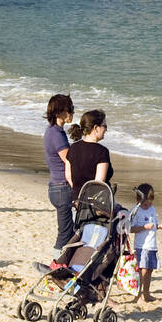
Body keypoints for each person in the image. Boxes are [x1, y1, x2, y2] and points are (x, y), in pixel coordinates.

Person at [44, 93, 76, 251]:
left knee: (69, 231)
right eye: (69, 109)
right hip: (61, 187)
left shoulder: (53, 131)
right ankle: (56, 265)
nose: (72, 113)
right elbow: (70, 160)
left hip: (56, 186)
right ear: (58, 113)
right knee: (65, 234)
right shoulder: (56, 134)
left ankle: (62, 264)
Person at [129, 183, 162, 303]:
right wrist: (144, 227)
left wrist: (158, 226)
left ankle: (146, 293)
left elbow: (153, 224)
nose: (148, 205)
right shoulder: (136, 211)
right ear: (139, 200)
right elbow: (130, 229)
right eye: (145, 203)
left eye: (150, 203)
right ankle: (139, 294)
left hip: (152, 245)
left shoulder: (152, 209)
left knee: (149, 270)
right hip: (141, 245)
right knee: (143, 270)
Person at [65, 109, 112, 193]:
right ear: (96, 128)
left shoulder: (73, 147)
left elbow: (68, 176)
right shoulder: (102, 152)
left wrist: (79, 193)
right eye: (104, 126)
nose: (106, 129)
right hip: (96, 202)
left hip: (76, 199)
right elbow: (99, 183)